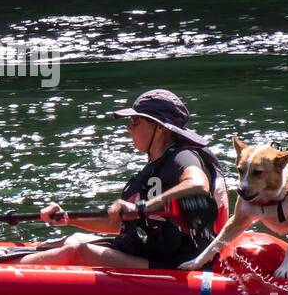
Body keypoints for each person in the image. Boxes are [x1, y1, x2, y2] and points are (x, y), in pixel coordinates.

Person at [16, 89, 228, 270]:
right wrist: (67, 218)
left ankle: (3, 275)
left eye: (136, 121)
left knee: (78, 250)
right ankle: (0, 262)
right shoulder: (156, 165)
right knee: (73, 239)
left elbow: (198, 185)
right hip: (147, 249)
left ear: (160, 127)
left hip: (173, 262)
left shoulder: (181, 157)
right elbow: (120, 223)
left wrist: (143, 207)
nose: (129, 127)